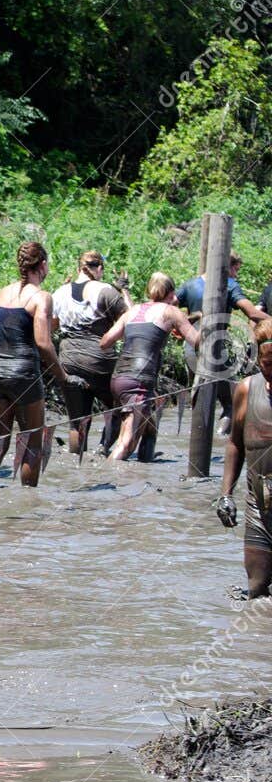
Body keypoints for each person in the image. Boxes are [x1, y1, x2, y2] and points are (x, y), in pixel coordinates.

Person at [0, 242, 69, 490]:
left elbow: (16, 327)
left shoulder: (3, 292)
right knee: (32, 442)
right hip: (24, 374)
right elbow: (43, 343)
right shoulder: (42, 297)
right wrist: (62, 376)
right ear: (43, 265)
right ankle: (28, 502)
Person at [99, 273, 201, 462]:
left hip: (118, 379)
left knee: (149, 428)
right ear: (171, 293)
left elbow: (104, 342)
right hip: (139, 381)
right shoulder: (171, 312)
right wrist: (209, 326)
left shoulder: (132, 311)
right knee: (126, 444)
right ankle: (106, 475)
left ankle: (144, 465)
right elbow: (197, 342)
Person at [178, 253, 270, 433]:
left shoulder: (190, 285)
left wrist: (188, 319)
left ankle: (197, 439)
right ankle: (220, 439)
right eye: (236, 269)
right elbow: (252, 313)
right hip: (215, 350)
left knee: (200, 399)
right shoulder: (229, 285)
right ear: (228, 267)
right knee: (232, 403)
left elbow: (168, 305)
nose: (236, 274)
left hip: (190, 348)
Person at [52, 251, 128, 458]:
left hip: (68, 360)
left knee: (77, 421)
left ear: (78, 268)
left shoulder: (59, 292)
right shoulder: (106, 291)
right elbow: (129, 319)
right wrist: (123, 290)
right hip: (100, 360)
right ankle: (104, 449)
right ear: (99, 268)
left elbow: (51, 327)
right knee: (120, 408)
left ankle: (76, 464)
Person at [215, 338, 272, 599]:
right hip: (260, 503)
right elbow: (235, 443)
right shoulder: (247, 389)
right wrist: (225, 495)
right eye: (267, 364)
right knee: (256, 589)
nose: (271, 372)